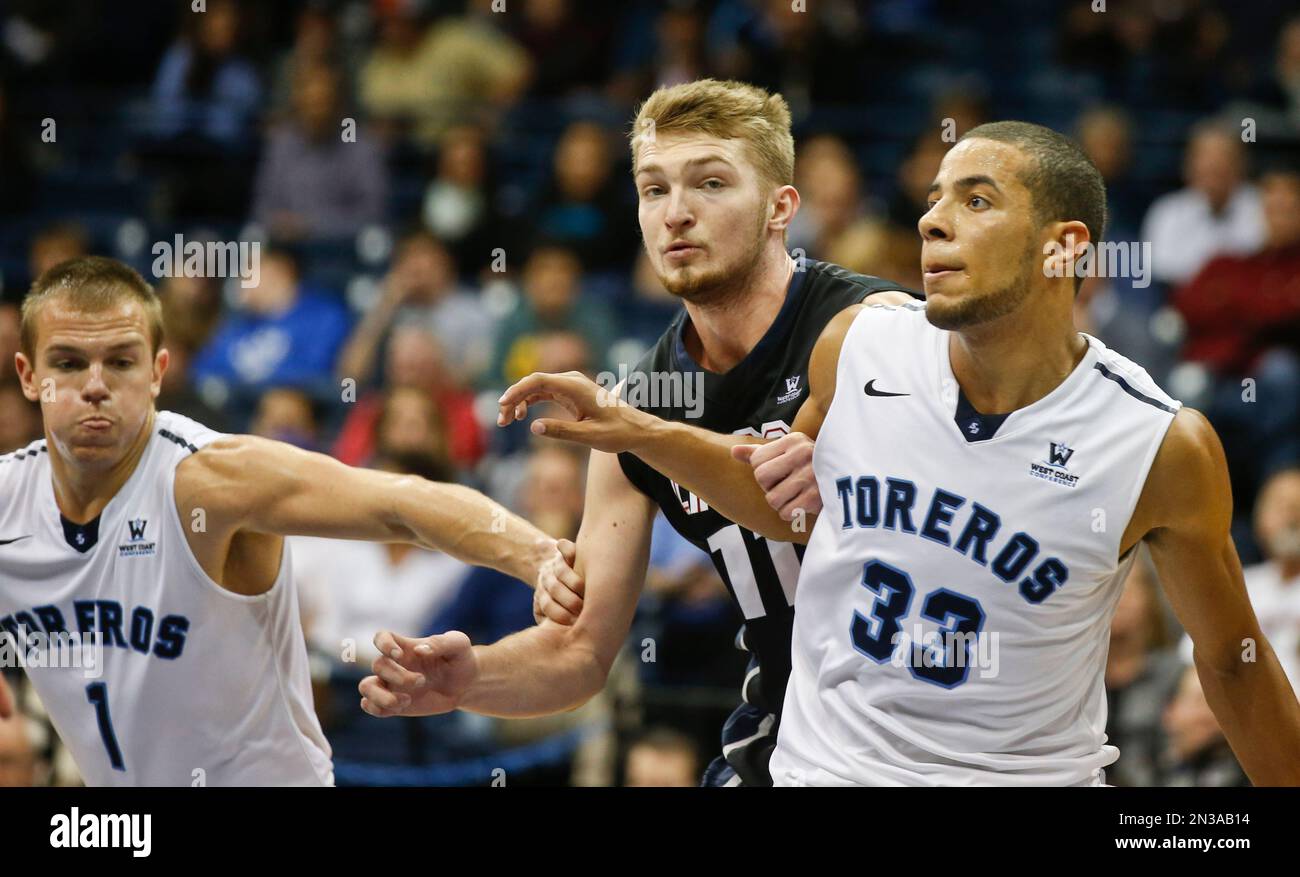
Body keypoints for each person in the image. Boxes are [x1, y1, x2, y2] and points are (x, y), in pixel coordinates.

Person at [460, 121, 1300, 785]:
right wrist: (638, 429)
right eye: (933, 200)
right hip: (823, 770)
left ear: (1064, 246)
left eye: (976, 200)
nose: (932, 220)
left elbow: (1233, 661)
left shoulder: (1159, 442)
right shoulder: (861, 344)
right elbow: (785, 509)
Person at [358, 78, 918, 787]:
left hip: (937, 714)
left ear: (781, 207)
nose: (676, 213)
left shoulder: (876, 329)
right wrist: (469, 677)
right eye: (654, 190)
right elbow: (580, 653)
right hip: (791, 730)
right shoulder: (634, 408)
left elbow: (803, 509)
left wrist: (641, 432)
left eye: (710, 183)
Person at [0, 256, 582, 786]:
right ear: (28, 375)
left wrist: (539, 557)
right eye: (69, 363)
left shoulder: (210, 479)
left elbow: (401, 503)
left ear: (157, 372)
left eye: (121, 362)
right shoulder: (8, 500)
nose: (96, 386)